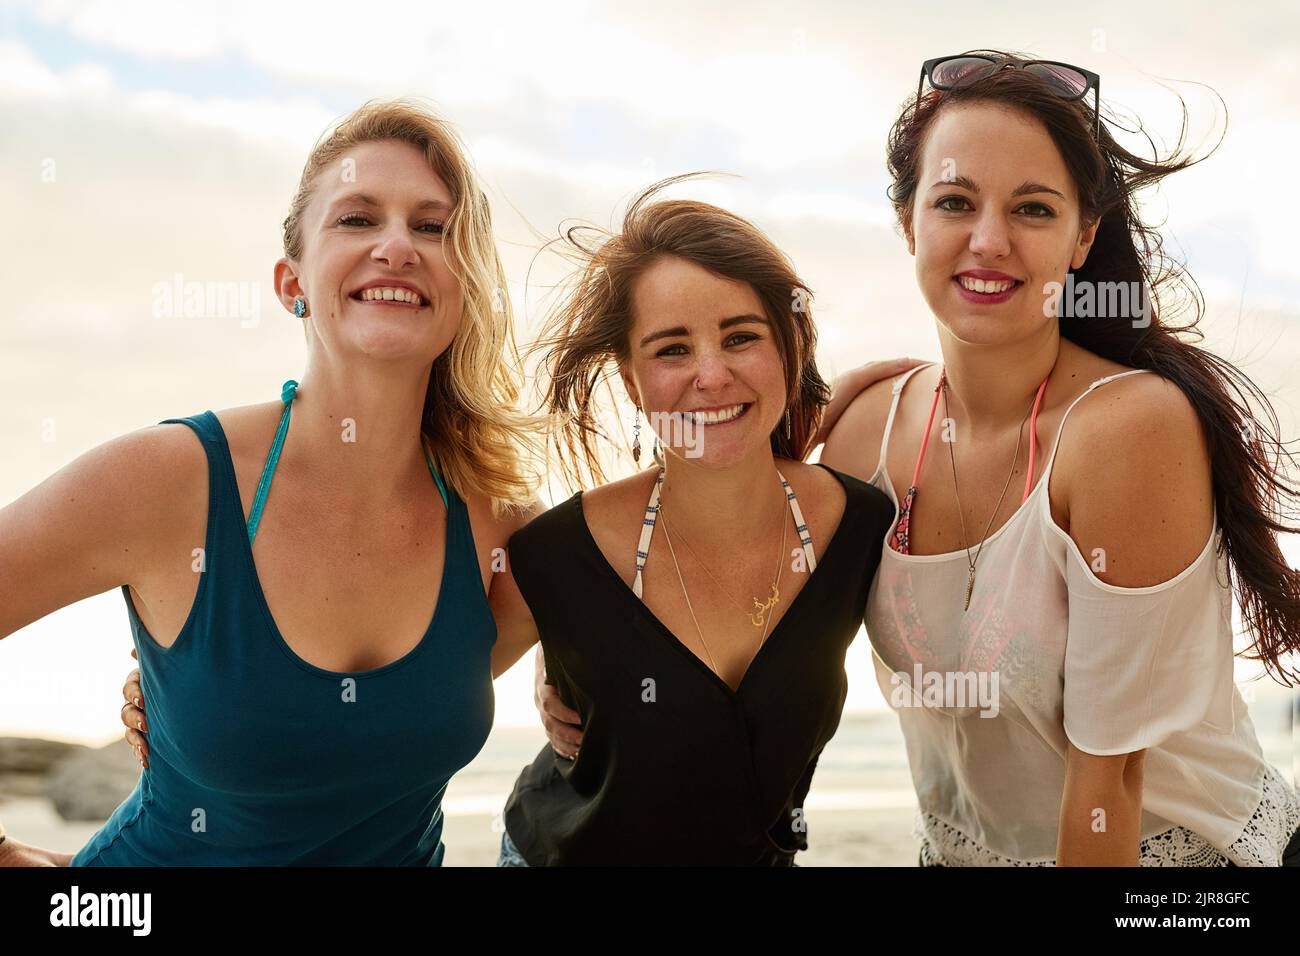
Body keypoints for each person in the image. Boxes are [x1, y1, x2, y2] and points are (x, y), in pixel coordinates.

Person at [0, 98, 545, 866]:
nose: (397, 244)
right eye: (357, 219)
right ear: (292, 282)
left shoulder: (502, 522)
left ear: (465, 290)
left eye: (432, 227)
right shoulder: (172, 480)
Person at [816, 50, 1300, 866]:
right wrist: (577, 676)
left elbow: (1107, 790)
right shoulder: (864, 432)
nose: (989, 240)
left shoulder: (1128, 432)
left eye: (1034, 210)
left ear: (1083, 238)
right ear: (908, 222)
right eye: (955, 201)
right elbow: (758, 605)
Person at [484, 177, 900, 864]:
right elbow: (420, 706)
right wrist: (568, 654)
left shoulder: (857, 527)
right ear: (629, 379)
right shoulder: (555, 556)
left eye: (741, 338)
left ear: (789, 346)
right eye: (672, 349)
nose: (710, 375)